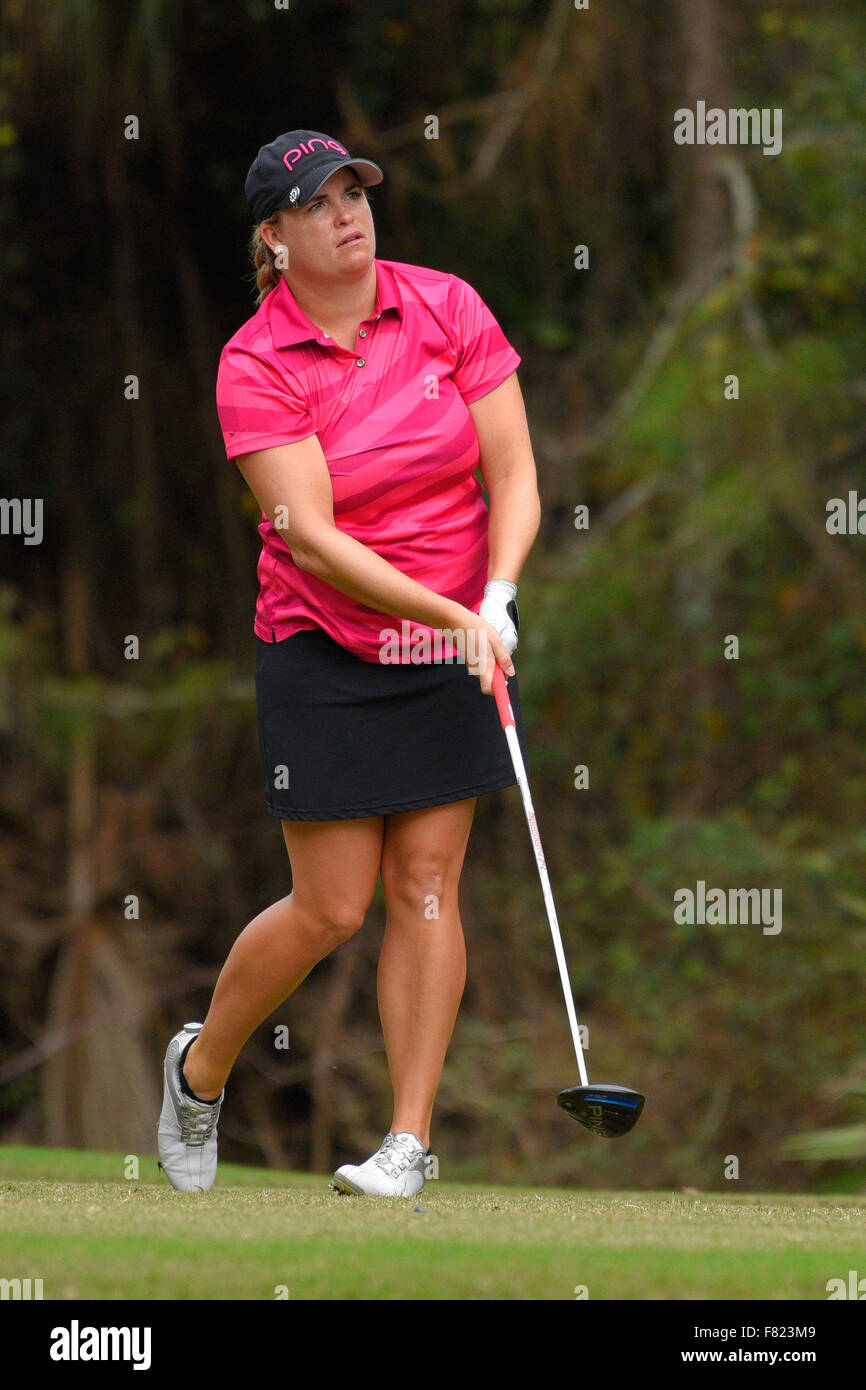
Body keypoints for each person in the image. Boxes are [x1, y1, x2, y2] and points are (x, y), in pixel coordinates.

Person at [157, 128, 540, 1197]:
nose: (346, 213)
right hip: (322, 641)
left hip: (452, 634)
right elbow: (312, 535)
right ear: (273, 238)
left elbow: (511, 470)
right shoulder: (253, 362)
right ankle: (200, 1070)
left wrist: (495, 594)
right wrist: (450, 612)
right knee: (331, 907)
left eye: (354, 192)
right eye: (316, 202)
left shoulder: (444, 306)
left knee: (426, 882)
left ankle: (407, 1142)